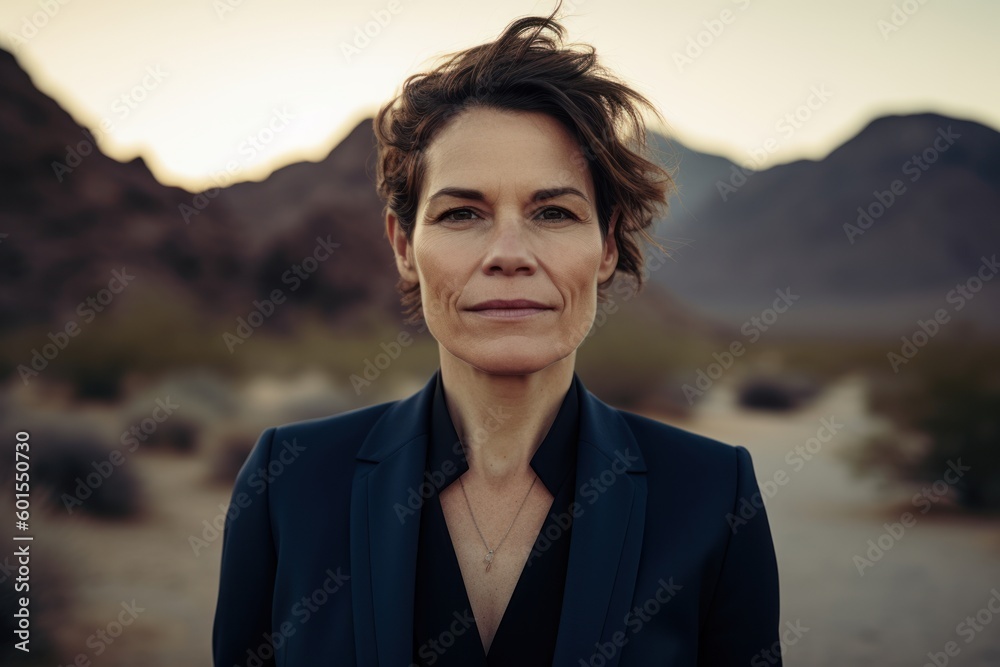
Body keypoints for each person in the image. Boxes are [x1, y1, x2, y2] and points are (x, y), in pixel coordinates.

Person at [212, 2, 781, 665]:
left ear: (606, 246)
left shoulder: (712, 493)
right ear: (403, 245)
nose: (508, 252)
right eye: (461, 213)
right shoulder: (288, 482)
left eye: (552, 210)